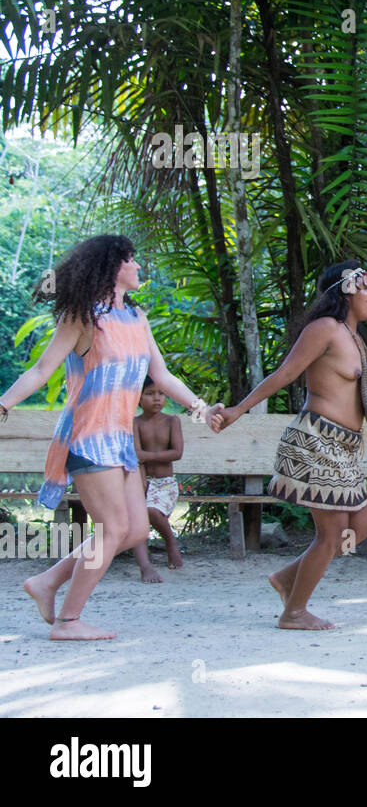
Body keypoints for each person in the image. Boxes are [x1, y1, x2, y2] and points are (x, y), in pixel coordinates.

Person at [2, 235, 216, 640]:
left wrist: (202, 410)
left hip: (119, 440)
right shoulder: (82, 316)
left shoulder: (137, 318)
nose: (138, 266)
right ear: (112, 267)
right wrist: (3, 404)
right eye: (131, 260)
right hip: (88, 435)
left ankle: (47, 582)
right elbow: (40, 371)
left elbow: (163, 376)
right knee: (113, 528)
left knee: (134, 531)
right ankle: (68, 621)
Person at [211, 262, 367, 630]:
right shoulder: (325, 330)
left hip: (346, 448)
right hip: (316, 441)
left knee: (361, 528)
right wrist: (239, 410)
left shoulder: (356, 340)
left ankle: (288, 579)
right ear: (346, 290)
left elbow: (362, 391)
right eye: (366, 287)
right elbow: (285, 373)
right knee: (330, 535)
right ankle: (294, 612)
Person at [131, 375, 185, 581]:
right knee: (139, 520)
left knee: (151, 511)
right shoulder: (135, 423)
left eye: (161, 393)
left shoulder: (172, 421)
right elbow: (136, 455)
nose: (156, 398)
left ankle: (170, 541)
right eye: (150, 393)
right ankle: (145, 566)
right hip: (141, 482)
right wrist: (142, 477)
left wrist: (148, 457)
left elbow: (177, 452)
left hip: (165, 484)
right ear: (138, 398)